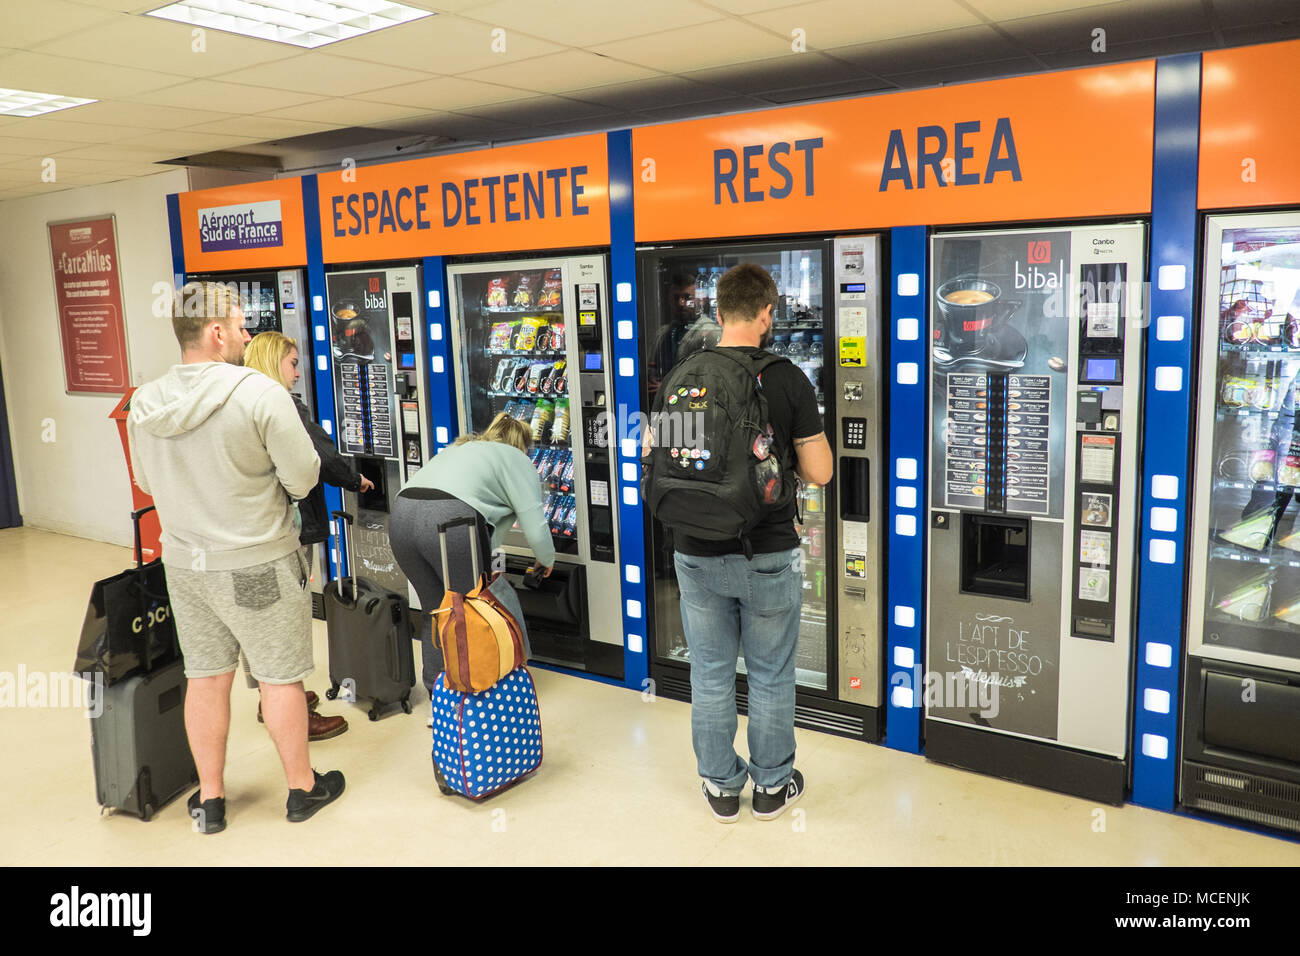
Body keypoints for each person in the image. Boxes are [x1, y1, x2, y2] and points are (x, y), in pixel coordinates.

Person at [127, 281, 345, 833]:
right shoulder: (258, 393)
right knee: (279, 679)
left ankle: (213, 799)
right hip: (257, 567)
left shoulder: (145, 401)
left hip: (186, 569)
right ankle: (301, 789)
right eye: (244, 327)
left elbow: (146, 482)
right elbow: (302, 478)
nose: (249, 338)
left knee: (206, 678)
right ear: (216, 331)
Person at [651, 263, 833, 824]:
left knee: (709, 674)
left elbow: (670, 459)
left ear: (719, 309)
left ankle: (722, 787)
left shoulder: (685, 371)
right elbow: (821, 471)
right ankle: (773, 788)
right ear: (764, 313)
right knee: (771, 674)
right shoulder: (786, 379)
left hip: (694, 550)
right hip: (768, 552)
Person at [243, 330, 377, 741]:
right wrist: (356, 480)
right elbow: (320, 457)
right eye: (292, 363)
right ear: (273, 363)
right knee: (289, 623)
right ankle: (291, 710)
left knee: (260, 623)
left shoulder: (240, 403)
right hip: (288, 530)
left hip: (246, 537)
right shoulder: (282, 406)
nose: (298, 373)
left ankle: (276, 699)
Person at [389, 412, 553, 697]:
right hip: (451, 520)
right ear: (522, 444)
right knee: (470, 614)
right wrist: (546, 559)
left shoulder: (461, 447)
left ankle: (439, 697)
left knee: (436, 610)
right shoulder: (518, 460)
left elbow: (489, 532)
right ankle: (472, 695)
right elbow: (535, 526)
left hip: (401, 517)